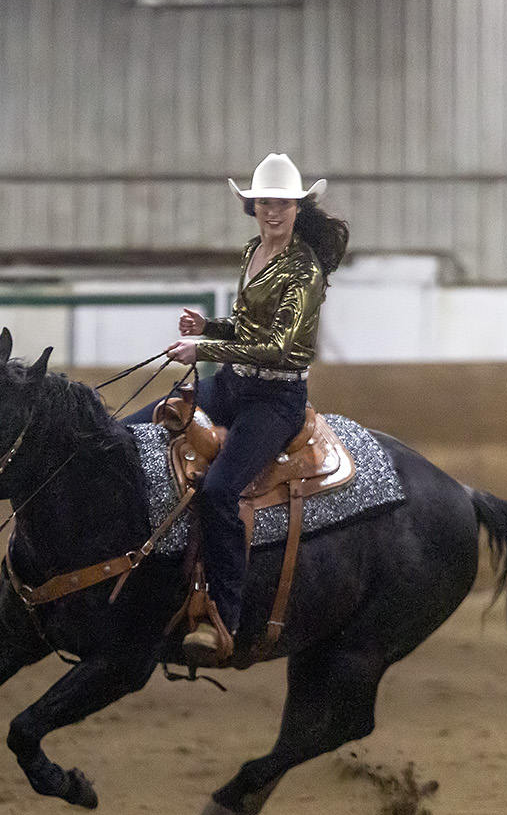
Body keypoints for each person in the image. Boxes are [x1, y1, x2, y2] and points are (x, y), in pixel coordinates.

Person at [131, 153, 350, 666]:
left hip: (275, 402)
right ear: (252, 208)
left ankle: (223, 617)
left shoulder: (304, 271)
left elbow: (277, 348)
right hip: (233, 385)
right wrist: (209, 328)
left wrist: (202, 351)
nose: (272, 211)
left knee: (220, 490)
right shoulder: (253, 249)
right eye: (264, 203)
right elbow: (247, 331)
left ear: (297, 208)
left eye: (282, 204)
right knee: (141, 426)